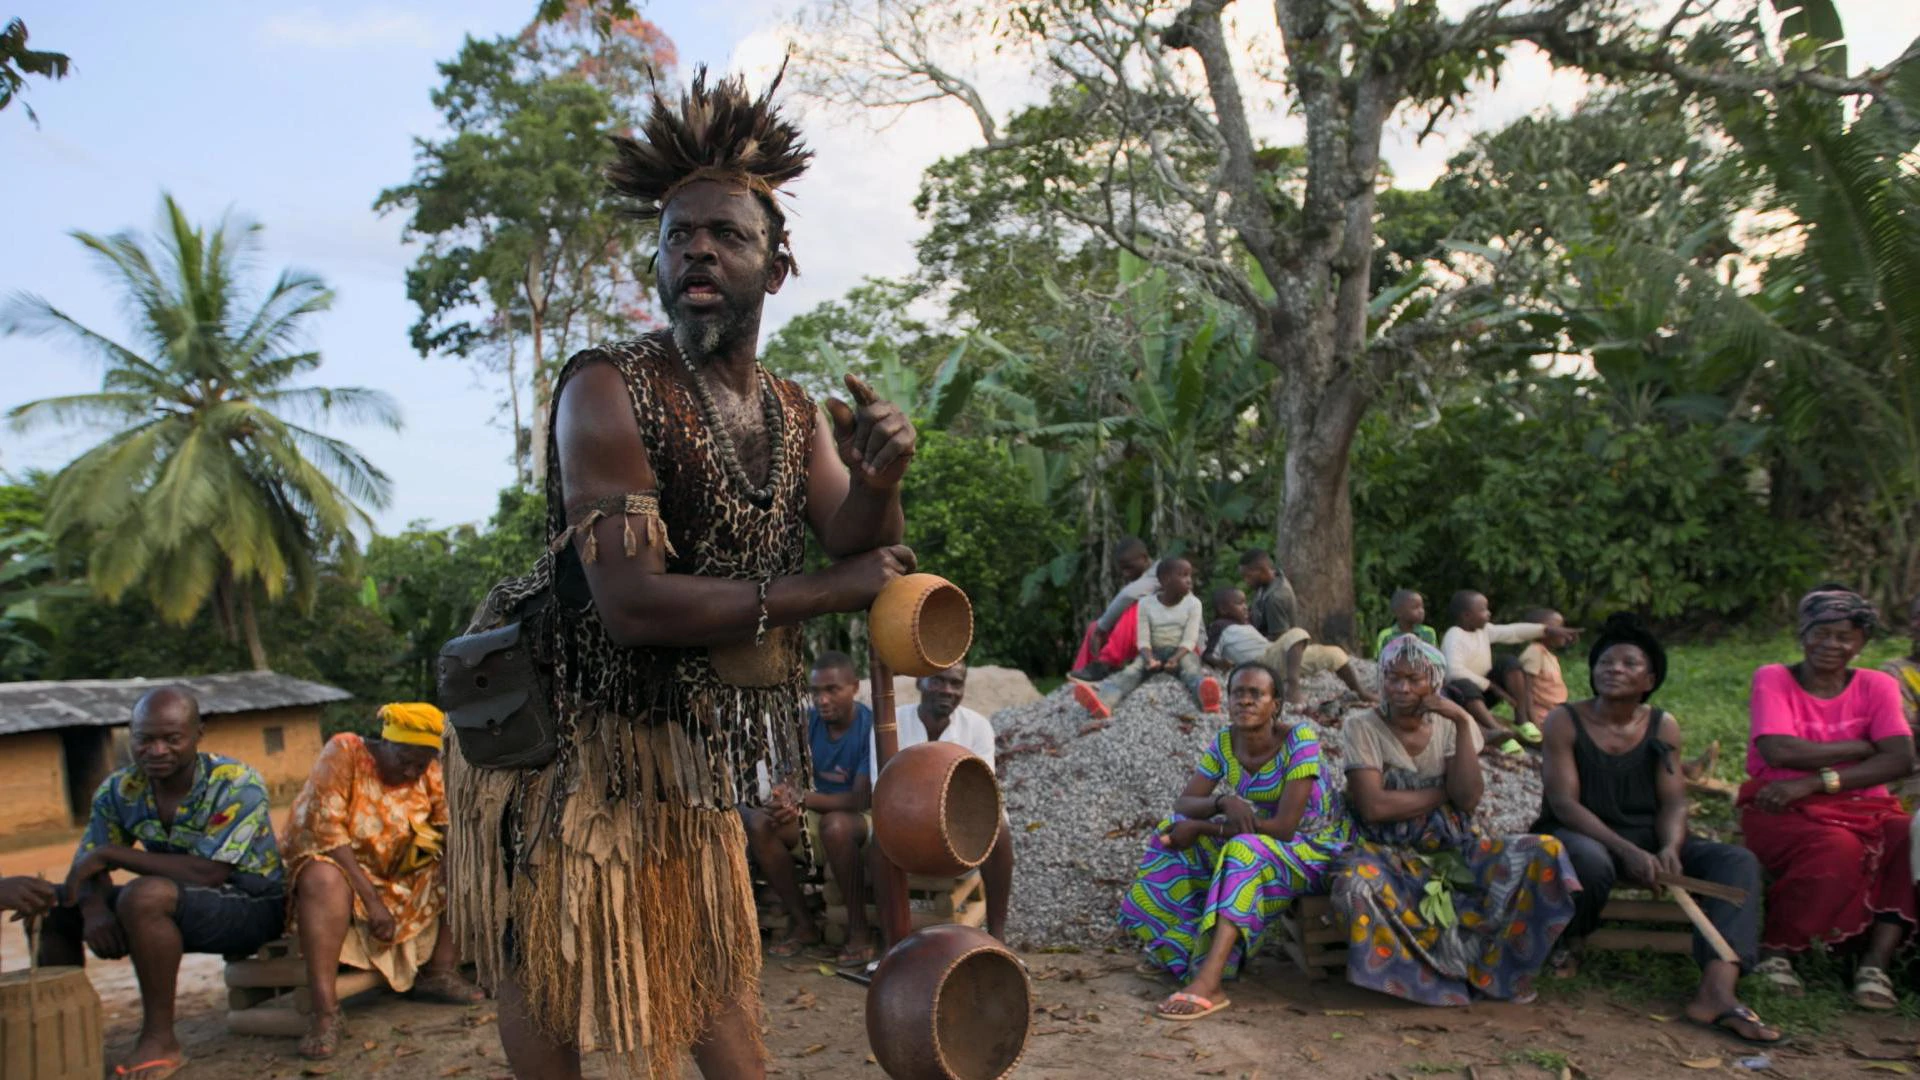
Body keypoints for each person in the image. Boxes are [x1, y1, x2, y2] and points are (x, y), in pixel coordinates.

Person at [443, 67, 921, 1080]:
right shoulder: (607, 389)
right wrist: (830, 593)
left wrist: (880, 480)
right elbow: (632, 604)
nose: (698, 249)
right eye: (678, 236)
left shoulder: (792, 413)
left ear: (777, 266)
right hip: (556, 724)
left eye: (727, 234)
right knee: (552, 960)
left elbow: (854, 539)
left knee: (711, 964)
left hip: (678, 733)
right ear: (658, 263)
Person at [1533, 614, 1778, 1044]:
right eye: (1606, 662)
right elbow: (1564, 803)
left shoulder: (1662, 725)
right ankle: (1572, 938)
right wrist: (1625, 850)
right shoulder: (1564, 721)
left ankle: (1717, 989)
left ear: (1650, 679)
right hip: (1583, 833)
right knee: (1586, 859)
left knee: (1735, 861)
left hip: (1645, 835)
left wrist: (1670, 844)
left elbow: (1674, 800)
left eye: (1629, 663)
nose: (1614, 669)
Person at [39, 688, 285, 1080]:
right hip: (177, 902)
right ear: (131, 735)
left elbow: (209, 873)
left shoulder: (236, 783)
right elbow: (87, 865)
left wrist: (111, 855)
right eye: (144, 739)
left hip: (251, 905)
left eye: (172, 739)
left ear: (197, 733)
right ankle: (56, 1042)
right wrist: (94, 910)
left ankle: (160, 1039)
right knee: (54, 906)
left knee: (144, 895)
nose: (157, 751)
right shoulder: (121, 790)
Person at [1330, 635, 1578, 1006]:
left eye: (1414, 680)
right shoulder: (1361, 726)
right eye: (1393, 677)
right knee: (1355, 885)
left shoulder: (1452, 726)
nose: (1401, 688)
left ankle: (1498, 972)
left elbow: (1469, 798)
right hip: (1387, 853)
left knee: (1543, 852)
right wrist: (1443, 793)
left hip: (1456, 848)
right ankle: (1418, 981)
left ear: (1435, 683)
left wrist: (1463, 721)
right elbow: (1374, 807)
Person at [1118, 662, 1350, 1021]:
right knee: (1174, 828)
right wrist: (1221, 802)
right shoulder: (1225, 742)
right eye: (1237, 693)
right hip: (1262, 836)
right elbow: (1186, 802)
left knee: (1240, 849)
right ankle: (1180, 951)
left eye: (1256, 693)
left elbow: (1286, 829)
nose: (1245, 701)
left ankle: (1210, 981)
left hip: (1314, 848)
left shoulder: (1299, 740)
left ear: (1276, 705)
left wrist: (1208, 827)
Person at [1739, 585, 1914, 1010]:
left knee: (1907, 836)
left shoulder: (1876, 685)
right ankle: (1779, 951)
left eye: (1845, 636)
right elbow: (1778, 750)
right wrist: (1863, 747)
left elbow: (1900, 759)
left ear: (1861, 643)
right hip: (1778, 802)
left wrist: (1816, 781)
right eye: (1821, 633)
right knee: (1834, 847)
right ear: (1803, 633)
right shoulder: (1775, 677)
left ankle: (1875, 964)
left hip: (1850, 801)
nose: (1831, 645)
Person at [282, 704, 484, 1059]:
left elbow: (444, 824)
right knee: (322, 878)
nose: (410, 771)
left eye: (418, 765)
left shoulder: (428, 768)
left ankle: (439, 971)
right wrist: (373, 901)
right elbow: (326, 831)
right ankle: (325, 1013)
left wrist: (453, 865)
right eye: (403, 759)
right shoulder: (345, 751)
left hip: (400, 871)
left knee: (461, 860)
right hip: (345, 869)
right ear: (386, 743)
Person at [742, 651, 877, 964]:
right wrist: (786, 799)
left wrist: (802, 798)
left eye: (832, 690)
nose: (822, 699)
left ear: (855, 687)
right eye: (816, 691)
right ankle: (803, 924)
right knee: (763, 823)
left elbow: (860, 799)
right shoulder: (807, 721)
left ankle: (859, 932)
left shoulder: (869, 726)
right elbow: (791, 777)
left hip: (860, 817)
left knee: (837, 826)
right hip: (818, 811)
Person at [870, 662, 1014, 939]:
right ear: (919, 683)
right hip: (906, 820)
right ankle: (892, 942)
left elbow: (981, 793)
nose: (947, 690)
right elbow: (881, 789)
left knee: (1001, 830)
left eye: (956, 683)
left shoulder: (978, 726)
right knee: (879, 839)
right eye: (937, 681)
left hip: (961, 821)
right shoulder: (891, 724)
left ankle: (998, 937)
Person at [1075, 556, 1220, 718]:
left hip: (1183, 652)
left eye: (1190, 576)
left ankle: (1206, 698)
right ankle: (1103, 702)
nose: (1189, 581)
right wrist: (1149, 658)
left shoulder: (1194, 604)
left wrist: (1175, 659)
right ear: (1165, 580)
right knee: (1130, 673)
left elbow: (1190, 639)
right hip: (1153, 651)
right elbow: (1143, 638)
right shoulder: (1145, 604)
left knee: (1192, 671)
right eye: (1183, 575)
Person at [1440, 590, 1579, 754]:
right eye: (1483, 610)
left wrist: (1546, 630)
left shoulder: (1483, 631)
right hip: (1462, 696)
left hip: (1482, 693)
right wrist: (1491, 685)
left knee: (1508, 662)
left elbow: (1513, 632)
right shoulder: (1454, 636)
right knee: (1465, 683)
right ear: (1467, 616)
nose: (1489, 613)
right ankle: (1497, 731)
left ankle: (1522, 719)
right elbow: (1453, 672)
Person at [1207, 588, 1376, 705]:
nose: (1245, 607)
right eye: (1239, 603)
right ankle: (1293, 685)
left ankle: (1360, 691)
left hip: (1281, 661)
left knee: (1334, 653)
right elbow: (1208, 654)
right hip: (1261, 663)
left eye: (1245, 603)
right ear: (1223, 609)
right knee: (1296, 632)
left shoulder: (1247, 625)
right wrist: (1220, 662)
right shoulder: (1220, 627)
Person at [1070, 538, 1159, 682]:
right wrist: (1098, 629)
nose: (1125, 574)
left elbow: (1127, 595)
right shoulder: (1142, 577)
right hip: (1145, 635)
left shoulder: (1162, 571)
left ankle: (1106, 663)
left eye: (1129, 567)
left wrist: (1102, 628)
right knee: (1093, 628)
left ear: (1143, 558)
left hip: (1169, 633)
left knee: (1134, 609)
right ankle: (1083, 675)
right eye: (1122, 569)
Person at [1506, 608, 1571, 737]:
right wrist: (1535, 726)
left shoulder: (1549, 655)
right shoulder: (1535, 652)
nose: (1563, 631)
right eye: (1559, 627)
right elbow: (1527, 692)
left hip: (1556, 714)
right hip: (1542, 718)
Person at [1238, 549, 1298, 639]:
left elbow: (1279, 638)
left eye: (1248, 576)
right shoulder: (1265, 584)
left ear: (1263, 570)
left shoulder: (1275, 598)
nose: (1246, 581)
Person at [1373, 588, 1438, 657]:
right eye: (1415, 607)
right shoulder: (1386, 636)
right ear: (1399, 612)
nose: (1421, 611)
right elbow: (1379, 661)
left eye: (1422, 607)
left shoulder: (1428, 632)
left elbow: (1435, 658)